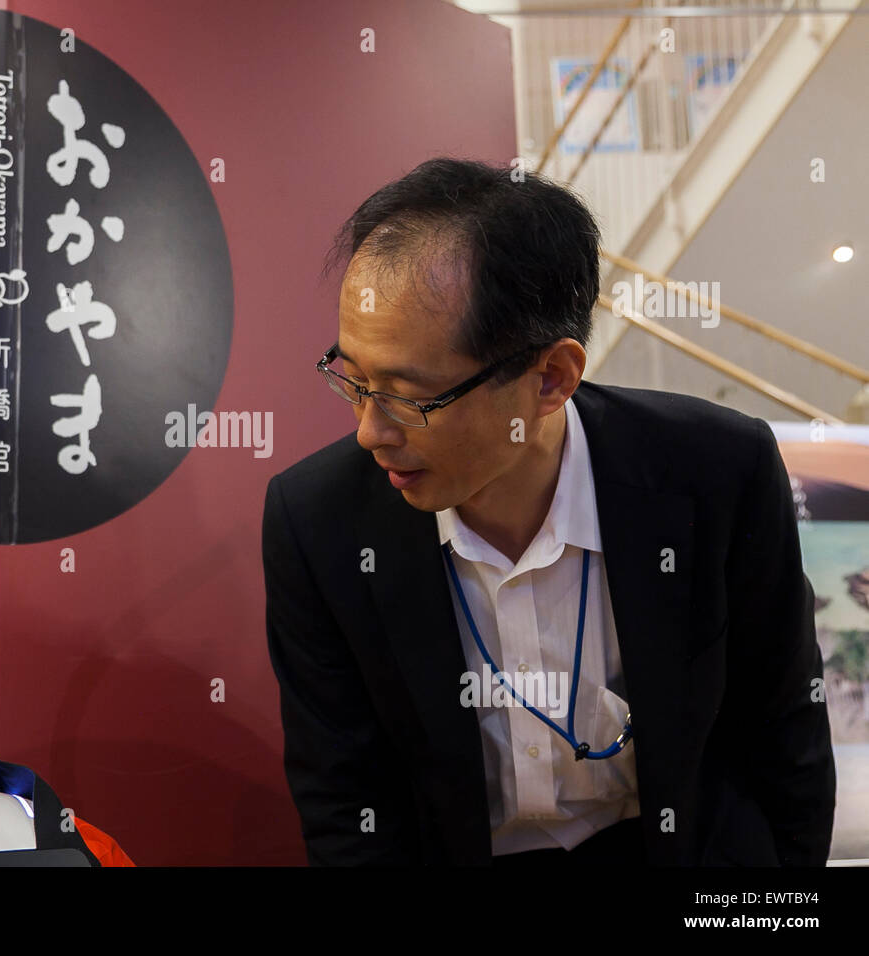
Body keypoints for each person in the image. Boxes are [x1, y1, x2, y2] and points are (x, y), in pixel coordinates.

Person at [262, 157, 836, 866]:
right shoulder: (320, 522)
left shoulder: (718, 472)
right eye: (355, 379)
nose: (371, 431)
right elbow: (344, 799)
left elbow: (785, 731)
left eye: (410, 396)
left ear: (551, 378)